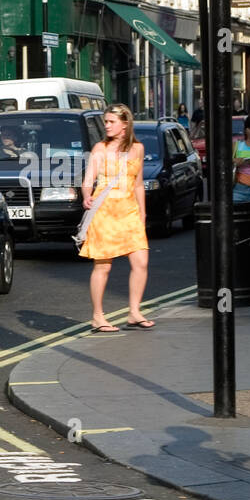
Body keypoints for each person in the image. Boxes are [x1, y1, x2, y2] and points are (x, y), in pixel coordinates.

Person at [78, 104, 152, 333]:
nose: (106, 125)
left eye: (111, 121)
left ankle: (134, 312)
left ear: (125, 123)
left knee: (141, 262)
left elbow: (138, 183)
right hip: (105, 211)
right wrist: (86, 196)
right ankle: (98, 317)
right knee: (103, 267)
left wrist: (142, 212)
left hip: (129, 210)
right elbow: (88, 179)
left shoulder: (138, 148)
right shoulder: (100, 148)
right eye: (106, 121)